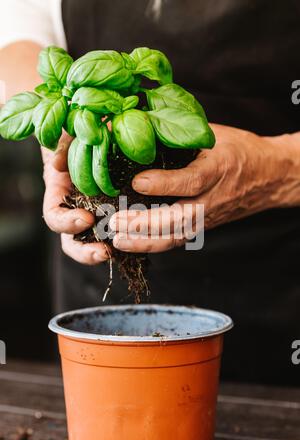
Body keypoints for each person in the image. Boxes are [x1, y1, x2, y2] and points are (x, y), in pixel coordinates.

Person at [1, 0, 300, 383]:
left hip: (278, 285)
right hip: (104, 289)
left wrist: (278, 169)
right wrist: (58, 134)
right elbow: (16, 32)